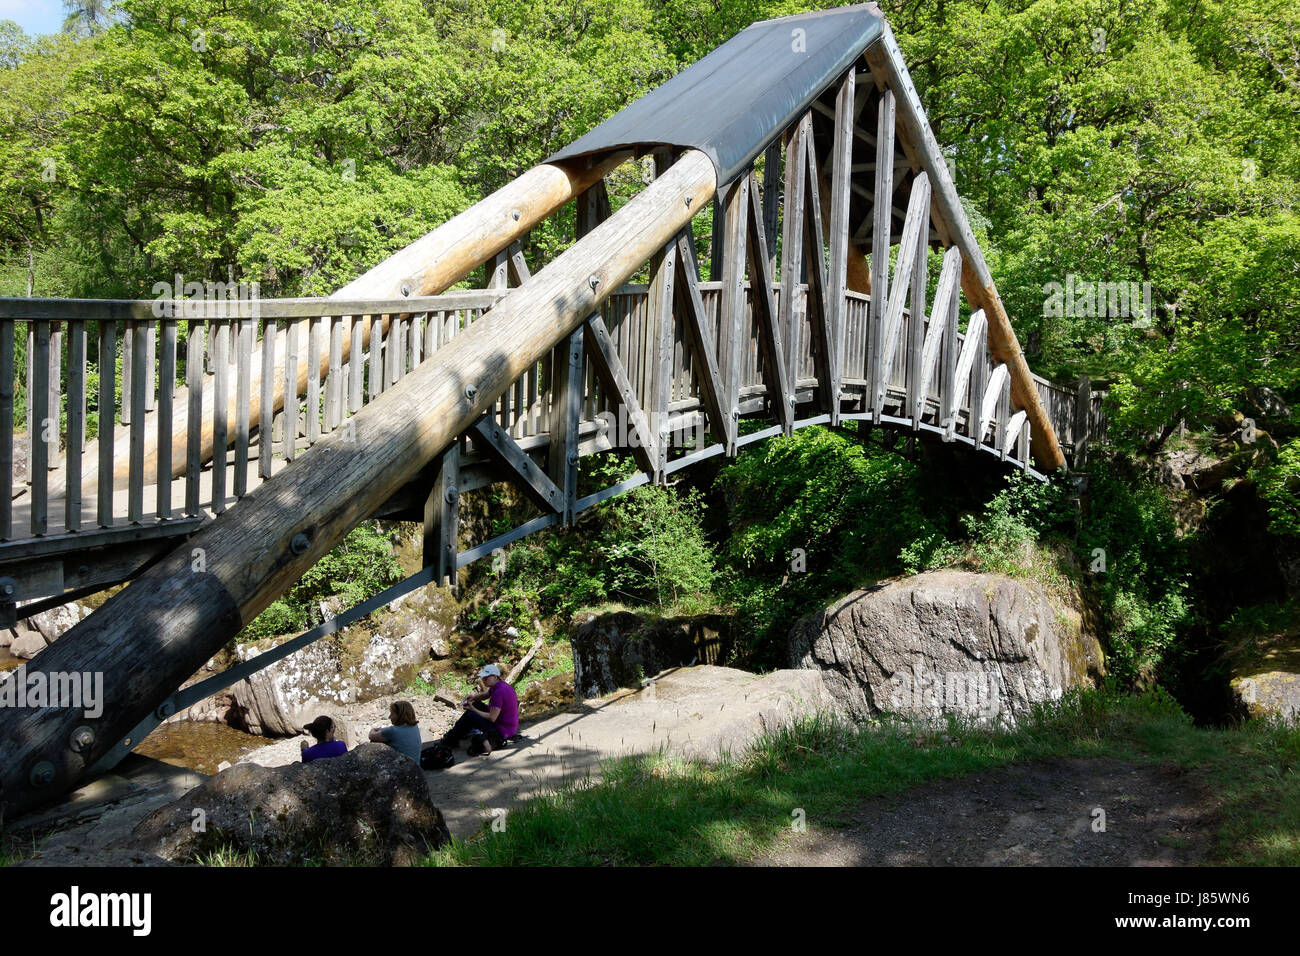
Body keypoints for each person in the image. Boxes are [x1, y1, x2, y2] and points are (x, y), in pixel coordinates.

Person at [440, 664, 519, 755]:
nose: (483, 680)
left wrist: (473, 709)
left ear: (495, 676)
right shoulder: (500, 685)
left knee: (470, 716)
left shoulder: (499, 692)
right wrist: (473, 698)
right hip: (507, 724)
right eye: (483, 678)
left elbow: (492, 717)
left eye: (486, 678)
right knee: (477, 704)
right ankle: (457, 734)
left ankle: (450, 740)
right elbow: (486, 695)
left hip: (502, 730)